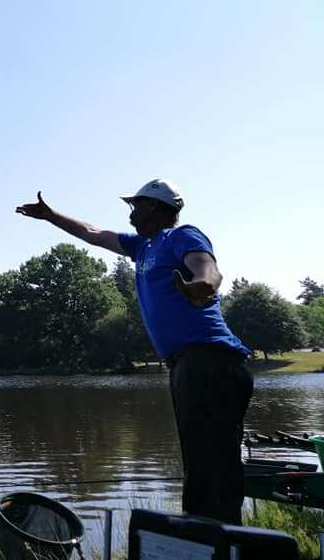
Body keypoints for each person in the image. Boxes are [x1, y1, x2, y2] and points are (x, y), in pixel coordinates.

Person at [16, 178, 253, 525]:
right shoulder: (143, 246)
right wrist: (53, 216)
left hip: (210, 361)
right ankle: (205, 542)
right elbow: (93, 233)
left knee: (213, 472)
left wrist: (203, 285)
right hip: (189, 365)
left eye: (135, 205)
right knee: (202, 468)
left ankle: (219, 544)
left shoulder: (181, 235)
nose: (130, 212)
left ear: (154, 207)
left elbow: (208, 266)